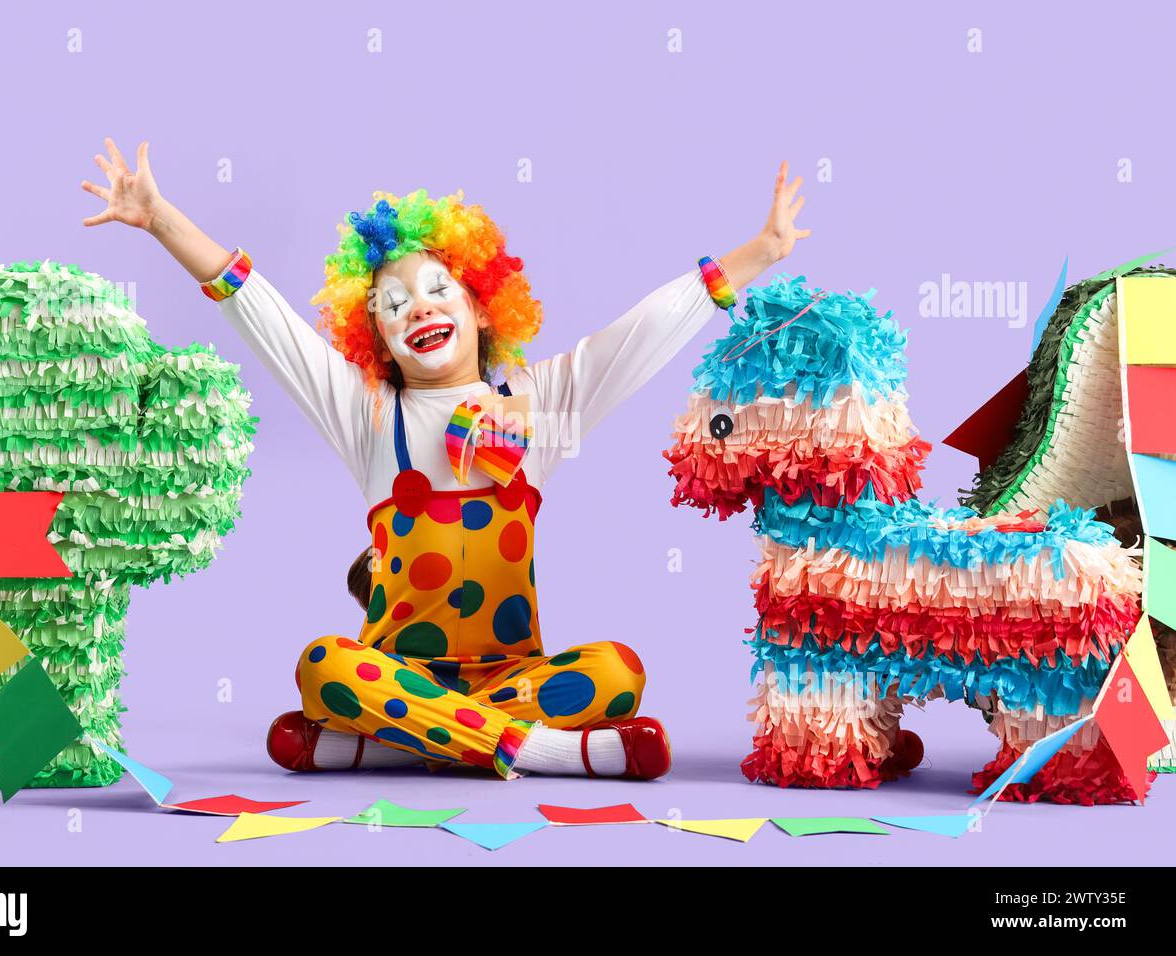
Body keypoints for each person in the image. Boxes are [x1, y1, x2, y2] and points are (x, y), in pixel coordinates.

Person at [81, 138, 809, 779]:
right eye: (390, 305)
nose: (417, 309)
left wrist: (761, 253)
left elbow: (638, 336)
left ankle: (391, 744)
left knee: (618, 672)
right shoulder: (366, 414)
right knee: (322, 667)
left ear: (484, 306)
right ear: (375, 339)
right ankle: (547, 753)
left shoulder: (538, 405)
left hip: (510, 675)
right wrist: (160, 219)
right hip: (396, 671)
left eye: (438, 290)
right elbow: (257, 308)